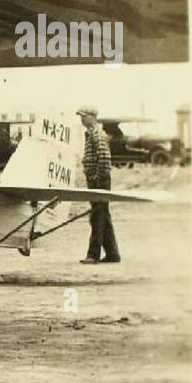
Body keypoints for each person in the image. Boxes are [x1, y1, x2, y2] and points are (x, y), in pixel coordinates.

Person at [78, 105, 120, 264]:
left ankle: (93, 255)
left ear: (92, 116)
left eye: (84, 116)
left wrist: (97, 177)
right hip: (96, 179)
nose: (82, 119)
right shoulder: (91, 134)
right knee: (103, 215)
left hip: (98, 180)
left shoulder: (97, 134)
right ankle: (112, 254)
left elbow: (104, 159)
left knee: (97, 216)